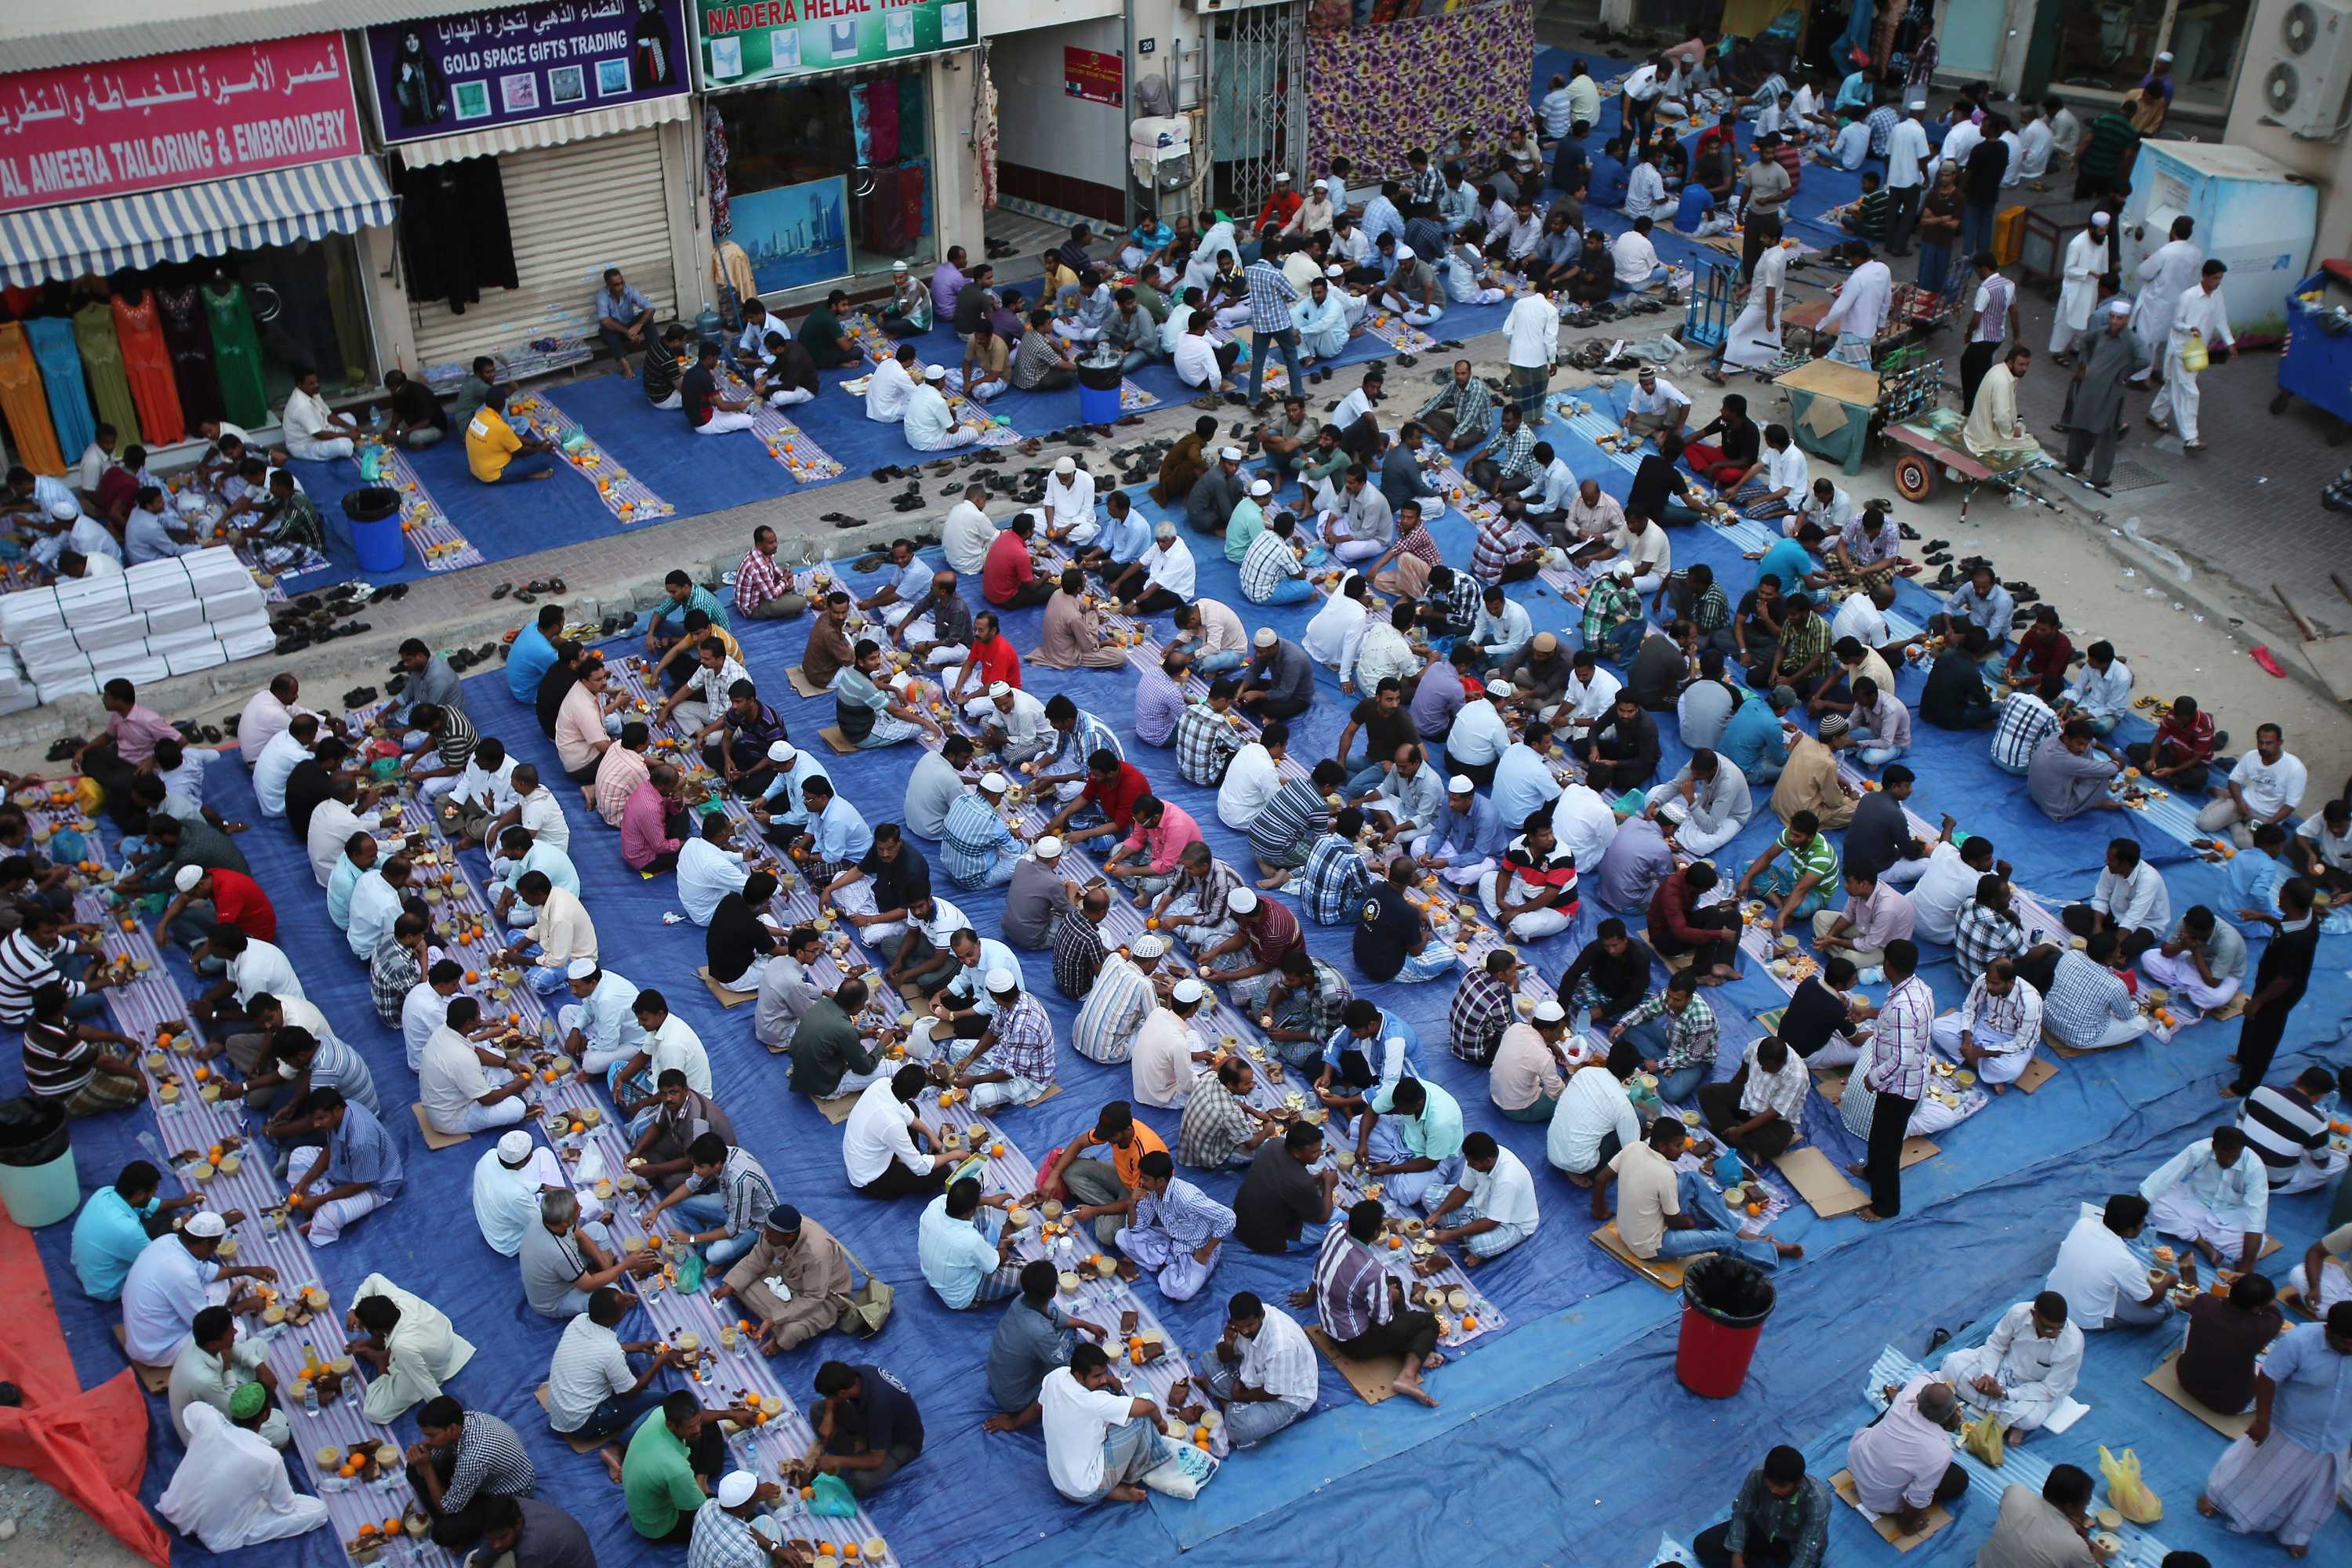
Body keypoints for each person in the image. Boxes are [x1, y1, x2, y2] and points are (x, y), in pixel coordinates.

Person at [2196, 1302, 2352, 1554]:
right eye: (2346, 1342)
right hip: (2288, 1429)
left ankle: (2295, 1534)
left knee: (2314, 1494)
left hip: (2336, 1439)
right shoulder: (2300, 1341)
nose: (2351, 1348)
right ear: (2328, 1330)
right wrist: (2262, 1421)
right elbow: (2269, 1377)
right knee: (2251, 1471)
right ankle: (2217, 1500)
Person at [1595, 1117, 1799, 1270]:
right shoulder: (1664, 1173)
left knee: (1692, 1178)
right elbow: (1674, 1222)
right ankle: (1770, 1251)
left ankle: (1742, 1233)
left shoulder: (1635, 1147)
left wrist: (1599, 1208)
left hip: (1629, 1228)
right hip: (1653, 1246)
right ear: (1662, 1146)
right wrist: (1687, 1223)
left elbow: (1601, 1178)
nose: (1682, 1150)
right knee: (1724, 1239)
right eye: (1677, 1146)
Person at [157, 1384, 328, 1550]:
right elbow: (285, 1507)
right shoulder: (268, 1457)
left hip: (175, 1509)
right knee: (318, 1510)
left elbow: (192, 1410)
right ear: (266, 1414)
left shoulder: (207, 1419)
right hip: (217, 1535)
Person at [1939, 1292, 2083, 1443]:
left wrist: (2004, 1393)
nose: (2054, 1334)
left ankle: (2006, 1416)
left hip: (2035, 1388)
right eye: (2048, 1329)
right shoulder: (2018, 1313)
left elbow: (2050, 1390)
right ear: (2034, 1315)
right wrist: (1987, 1376)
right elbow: (1996, 1345)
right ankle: (2006, 1420)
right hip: (2004, 1367)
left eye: (2059, 1329)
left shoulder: (2072, 1345)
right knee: (1952, 1363)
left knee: (2029, 1419)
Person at [1846, 1374, 1969, 1534]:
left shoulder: (1904, 1399)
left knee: (1890, 1415)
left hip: (1857, 1464)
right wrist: (1907, 1524)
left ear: (1918, 1397)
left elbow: (1927, 1376)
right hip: (1880, 1500)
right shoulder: (1940, 1451)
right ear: (1949, 1418)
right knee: (1959, 1479)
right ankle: (1902, 1520)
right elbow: (1918, 1496)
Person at [2046, 1194, 2176, 1331]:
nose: (2144, 1224)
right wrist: (2168, 1280)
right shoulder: (2126, 1262)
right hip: (2086, 1318)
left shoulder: (2083, 1224)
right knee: (2166, 1307)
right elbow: (2148, 1301)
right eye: (2142, 1221)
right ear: (2131, 1231)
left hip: (2054, 1296)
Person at [1691, 1444, 1828, 1568]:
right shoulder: (1758, 1475)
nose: (1774, 1490)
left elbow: (1809, 1548)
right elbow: (1741, 1513)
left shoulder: (1817, 1500)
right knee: (1703, 1544)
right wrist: (1737, 1554)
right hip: (1762, 1528)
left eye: (1782, 1486)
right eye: (1771, 1483)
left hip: (1792, 1545)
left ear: (1797, 1483)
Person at [2179, 1272, 2288, 1416]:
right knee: (2281, 1377)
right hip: (2230, 1404)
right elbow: (2275, 1312)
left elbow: (2217, 1303)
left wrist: (2244, 1284)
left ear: (2231, 1288)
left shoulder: (2204, 1302)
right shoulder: (2263, 1328)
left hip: (2186, 1379)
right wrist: (2262, 1296)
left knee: (2193, 1323)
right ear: (2257, 1308)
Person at [464, 389, 558, 484]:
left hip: (476, 470)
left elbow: (511, 435)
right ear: (503, 405)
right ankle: (528, 475)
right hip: (492, 475)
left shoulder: (479, 415)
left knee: (528, 450)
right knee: (544, 459)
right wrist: (541, 450)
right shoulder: (500, 427)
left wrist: (535, 443)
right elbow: (521, 451)